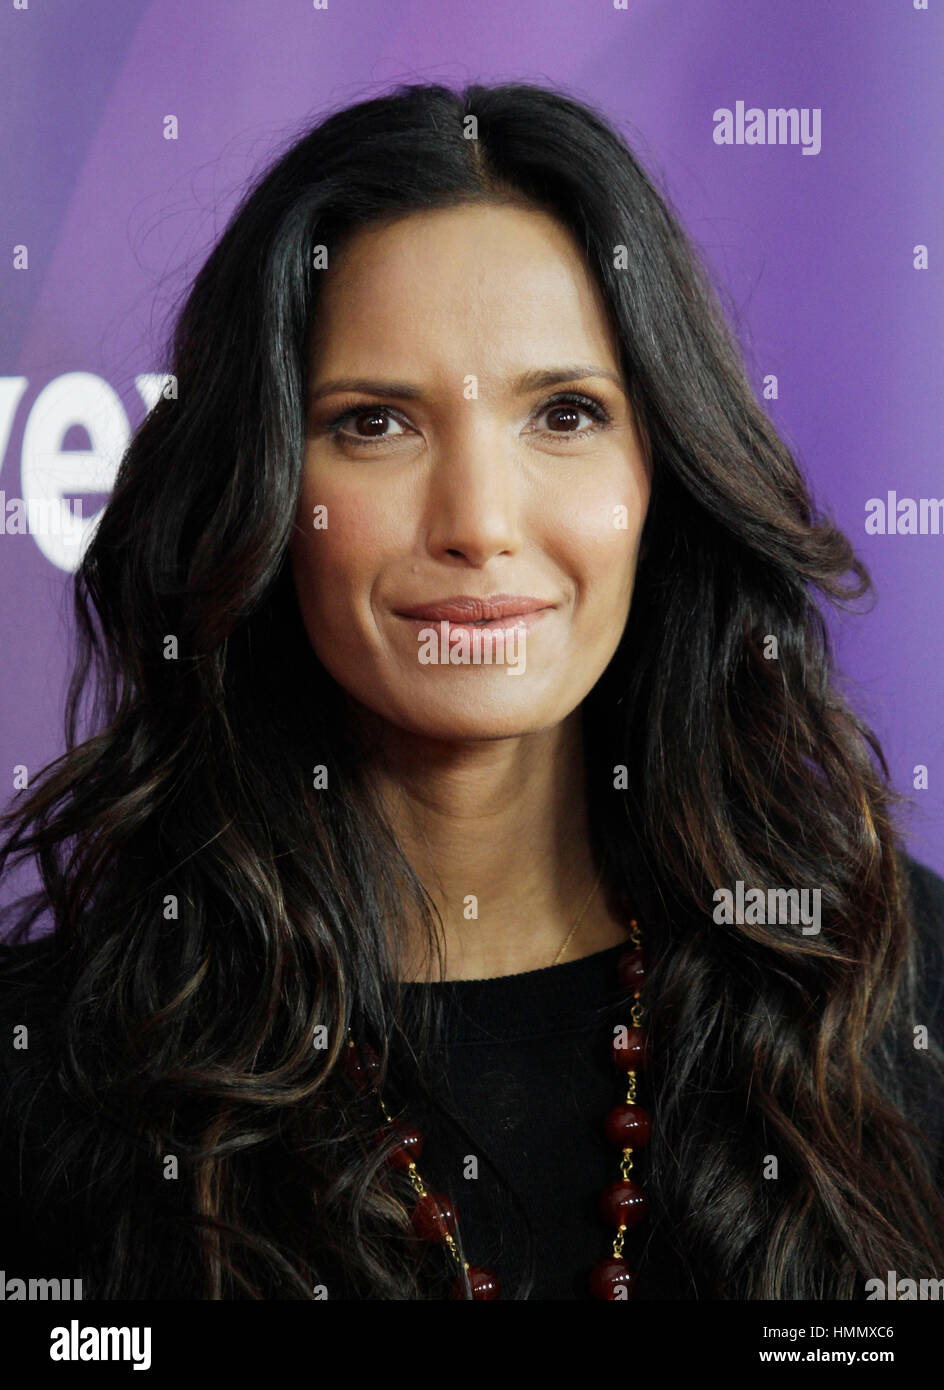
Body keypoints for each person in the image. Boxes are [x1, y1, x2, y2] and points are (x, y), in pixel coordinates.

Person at [0, 80, 942, 1302]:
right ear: (265, 491)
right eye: (376, 422)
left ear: (664, 475)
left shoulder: (883, 986)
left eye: (563, 413)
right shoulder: (60, 1074)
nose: (479, 524)